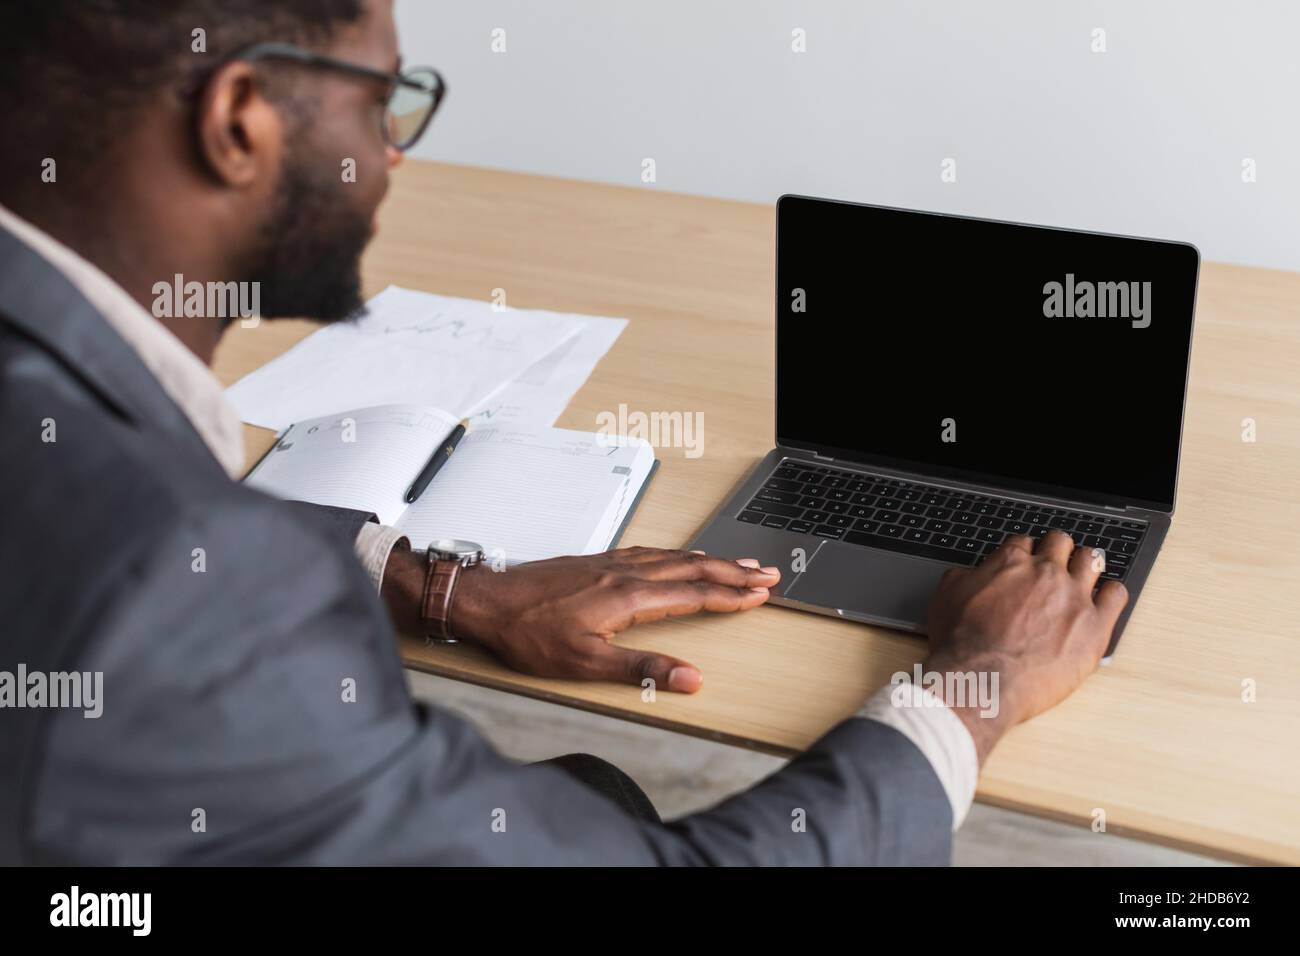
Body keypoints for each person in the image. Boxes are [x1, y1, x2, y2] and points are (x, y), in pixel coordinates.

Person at [0, 0, 1128, 864]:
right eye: (383, 99)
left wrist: (434, 585)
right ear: (238, 121)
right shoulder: (190, 604)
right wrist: (973, 684)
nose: (397, 151)